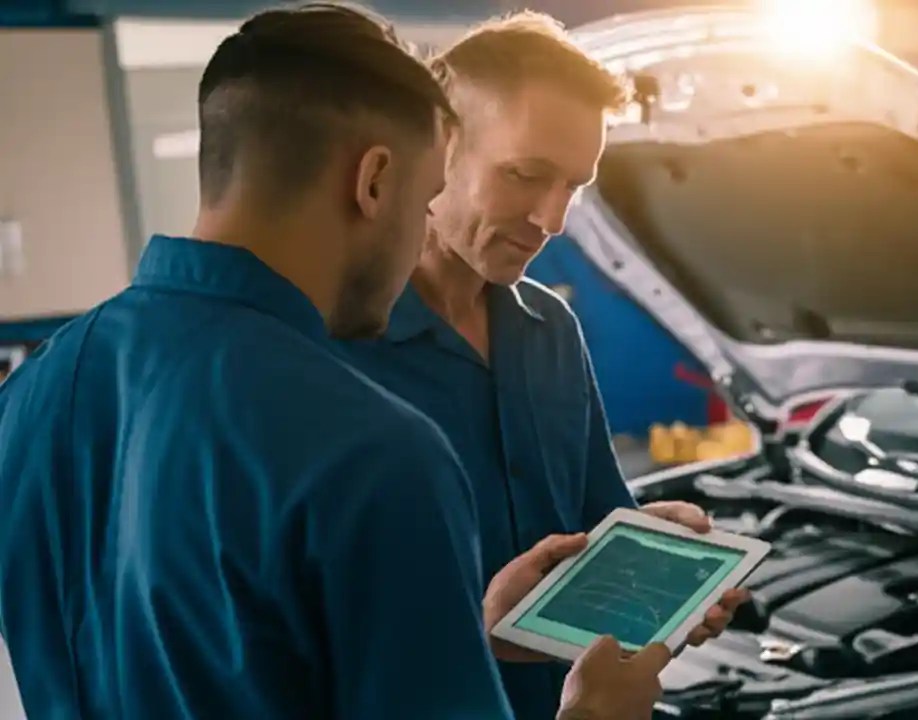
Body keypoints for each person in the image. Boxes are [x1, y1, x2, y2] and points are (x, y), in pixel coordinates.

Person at [0, 4, 667, 719]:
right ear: (375, 181)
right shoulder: (370, 441)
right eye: (425, 196)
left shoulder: (34, 392)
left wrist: (480, 628)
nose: (551, 219)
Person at [337, 11, 750, 719]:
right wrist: (478, 628)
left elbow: (593, 522)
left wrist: (654, 566)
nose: (552, 220)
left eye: (575, 185)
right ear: (437, 146)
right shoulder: (334, 346)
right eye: (526, 175)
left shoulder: (552, 329)